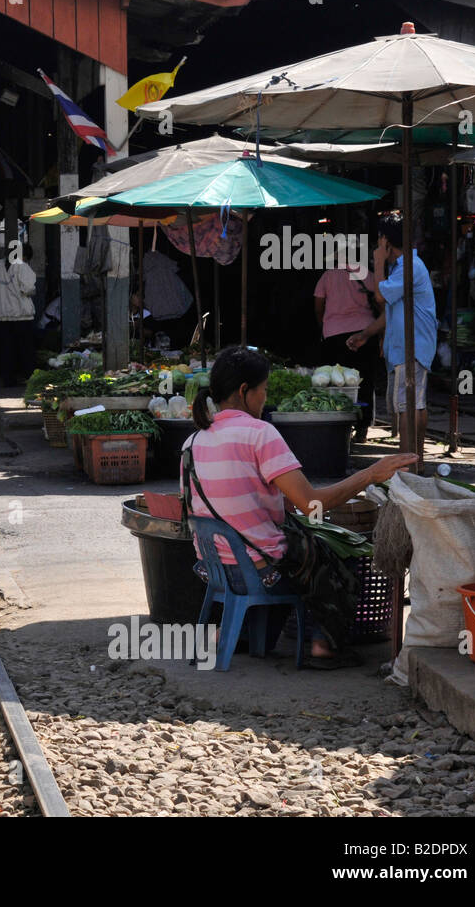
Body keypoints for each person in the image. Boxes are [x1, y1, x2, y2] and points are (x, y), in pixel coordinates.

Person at [183, 346, 417, 666]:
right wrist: (371, 474)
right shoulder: (260, 434)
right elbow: (312, 506)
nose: (265, 398)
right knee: (339, 557)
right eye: (263, 390)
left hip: (214, 569)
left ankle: (243, 633)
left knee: (294, 539)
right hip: (259, 568)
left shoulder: (192, 442)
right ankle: (325, 645)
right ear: (244, 391)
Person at [348, 213, 436, 460]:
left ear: (385, 240)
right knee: (415, 402)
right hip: (411, 344)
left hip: (413, 345)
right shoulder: (404, 267)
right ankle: (414, 462)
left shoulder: (408, 268)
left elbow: (380, 297)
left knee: (409, 406)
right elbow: (391, 311)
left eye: (379, 240)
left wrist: (377, 262)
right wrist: (366, 334)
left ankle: (408, 464)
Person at [314, 256, 384, 442]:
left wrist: (324, 323)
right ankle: (363, 427)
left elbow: (318, 303)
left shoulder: (329, 275)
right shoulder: (367, 275)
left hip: (335, 334)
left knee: (336, 383)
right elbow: (381, 303)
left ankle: (339, 426)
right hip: (366, 332)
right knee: (365, 380)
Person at [0, 242, 37, 387]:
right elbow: (28, 288)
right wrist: (33, 291)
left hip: (1, 316)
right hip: (21, 316)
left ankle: (8, 380)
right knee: (25, 350)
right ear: (24, 256)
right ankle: (29, 379)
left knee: (7, 350)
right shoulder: (22, 265)